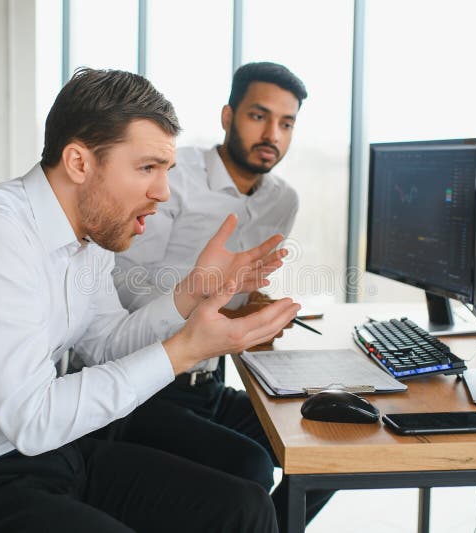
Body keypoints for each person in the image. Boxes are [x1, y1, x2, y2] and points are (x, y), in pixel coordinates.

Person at [0, 67, 301, 533]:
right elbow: (31, 418)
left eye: (166, 171)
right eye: (147, 168)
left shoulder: (87, 238)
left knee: (244, 508)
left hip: (41, 455)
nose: (162, 192)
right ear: (78, 163)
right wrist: (185, 351)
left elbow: (106, 344)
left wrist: (194, 291)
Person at [113, 62, 331, 529]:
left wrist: (256, 307)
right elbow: (127, 289)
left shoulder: (282, 200)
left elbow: (243, 286)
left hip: (208, 382)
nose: (272, 134)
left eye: (286, 123)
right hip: (147, 384)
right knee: (250, 465)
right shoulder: (176, 178)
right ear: (228, 116)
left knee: (333, 443)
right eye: (258, 116)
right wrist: (213, 301)